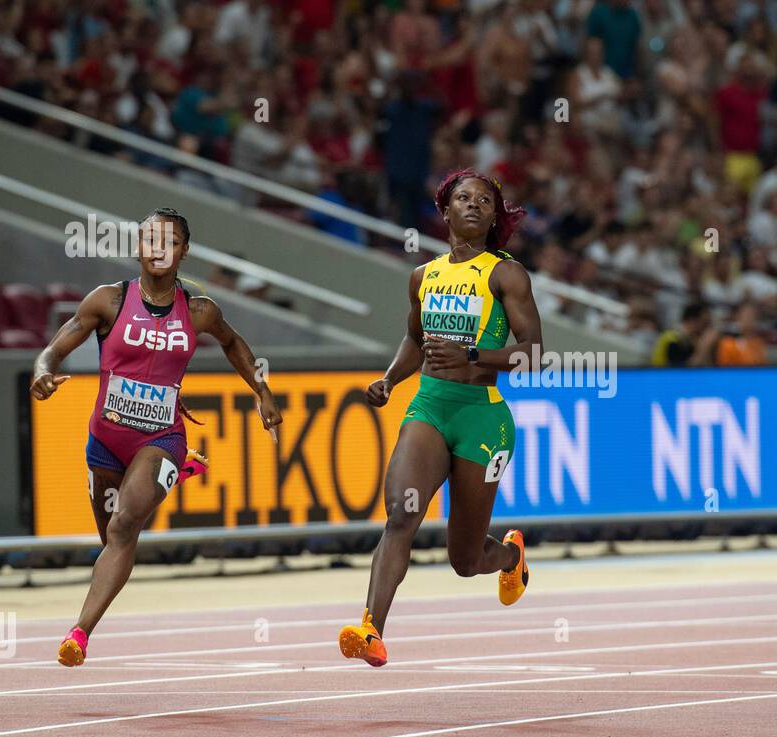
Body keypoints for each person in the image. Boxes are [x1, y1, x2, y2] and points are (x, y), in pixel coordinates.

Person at [30, 208, 282, 666]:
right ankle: (179, 473)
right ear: (139, 248)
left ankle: (78, 634)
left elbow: (232, 342)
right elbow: (55, 348)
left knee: (126, 525)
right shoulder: (107, 300)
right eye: (150, 239)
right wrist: (43, 372)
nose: (158, 248)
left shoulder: (200, 311)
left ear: (184, 251)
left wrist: (261, 391)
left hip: (161, 436)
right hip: (105, 441)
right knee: (111, 536)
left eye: (170, 241)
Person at [338, 169, 544, 667]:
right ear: (445, 210)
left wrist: (474, 357)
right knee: (402, 514)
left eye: (484, 200)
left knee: (465, 560)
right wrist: (390, 379)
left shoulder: (506, 274)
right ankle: (371, 629)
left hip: (482, 420)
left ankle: (511, 556)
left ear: (495, 215)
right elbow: (414, 339)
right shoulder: (424, 276)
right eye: (463, 198)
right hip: (429, 407)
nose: (473, 205)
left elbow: (535, 352)